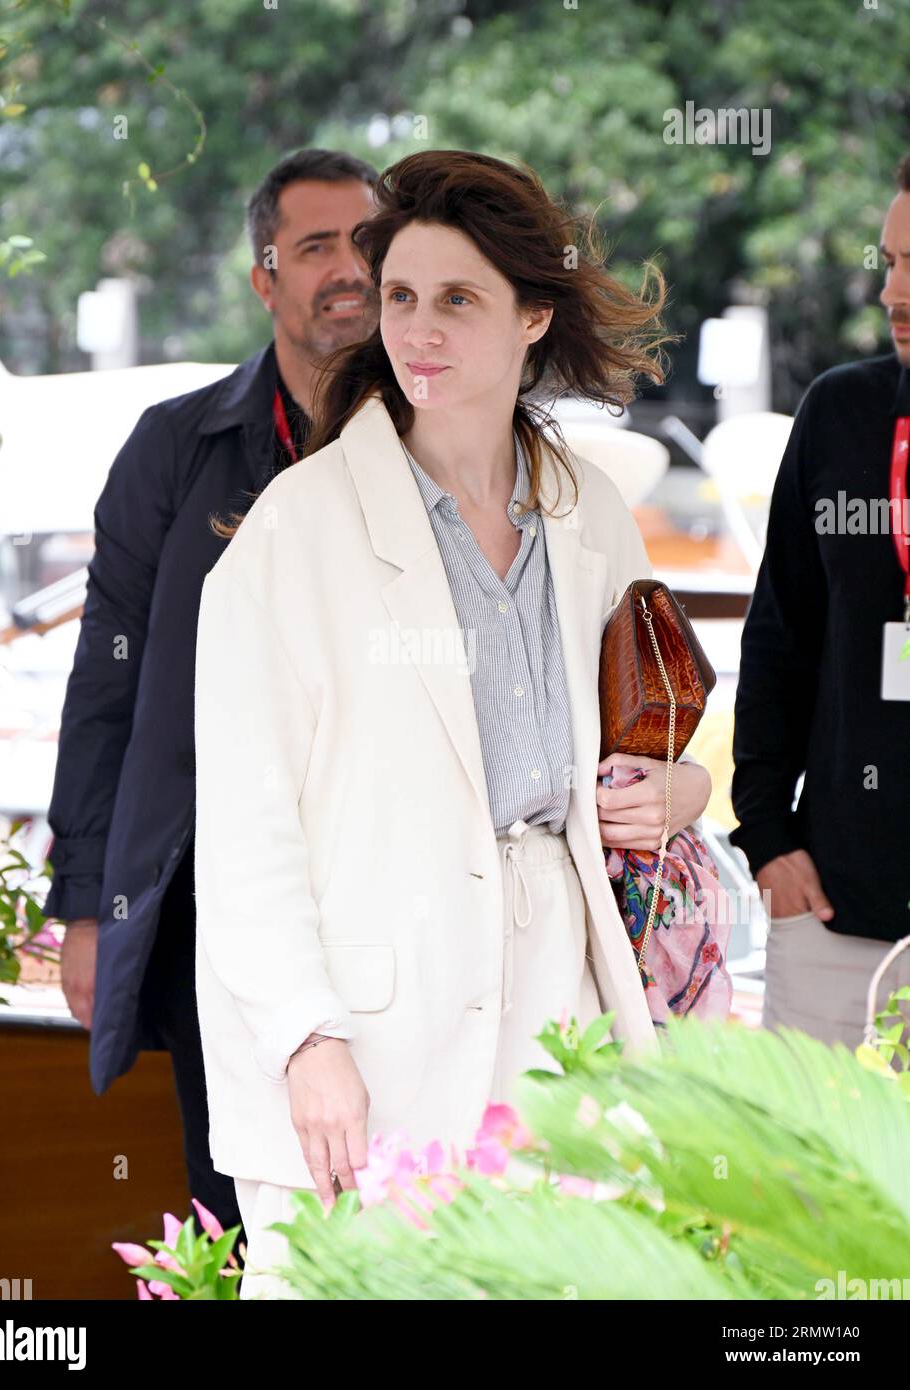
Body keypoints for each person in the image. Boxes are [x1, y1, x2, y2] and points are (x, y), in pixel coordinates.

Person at [194, 148, 712, 1298]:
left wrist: (681, 794)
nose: (418, 330)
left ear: (534, 315)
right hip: (371, 1018)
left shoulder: (589, 509)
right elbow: (244, 829)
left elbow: (654, 741)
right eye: (401, 299)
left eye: (458, 300)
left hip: (560, 996)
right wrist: (303, 1038)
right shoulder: (297, 530)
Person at [42, 148, 379, 1235]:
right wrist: (88, 903)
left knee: (396, 1192)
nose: (347, 270)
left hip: (388, 883)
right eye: (315, 246)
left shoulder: (436, 446)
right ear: (264, 277)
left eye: (366, 243)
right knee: (234, 1190)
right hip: (210, 900)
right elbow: (107, 691)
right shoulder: (175, 449)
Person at [730, 152, 910, 1050]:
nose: (892, 293)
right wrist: (766, 837)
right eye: (890, 260)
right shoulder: (839, 414)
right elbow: (777, 640)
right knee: (800, 1190)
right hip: (831, 914)